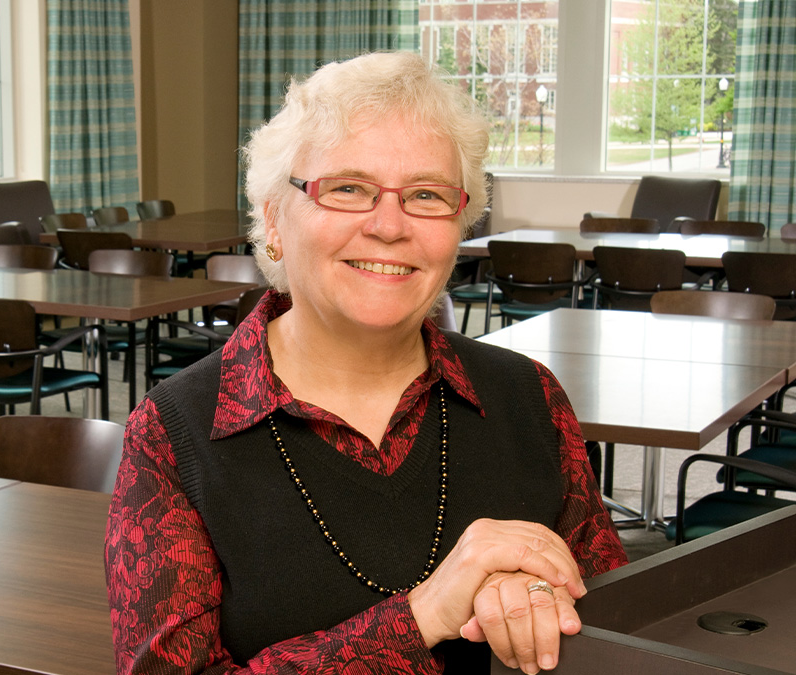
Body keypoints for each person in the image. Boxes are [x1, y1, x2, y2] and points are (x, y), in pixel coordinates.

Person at [105, 51, 627, 675]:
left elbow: (623, 628)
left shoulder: (530, 396)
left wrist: (542, 599)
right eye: (348, 188)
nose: (389, 226)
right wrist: (422, 616)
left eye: (426, 195)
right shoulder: (172, 433)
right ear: (273, 218)